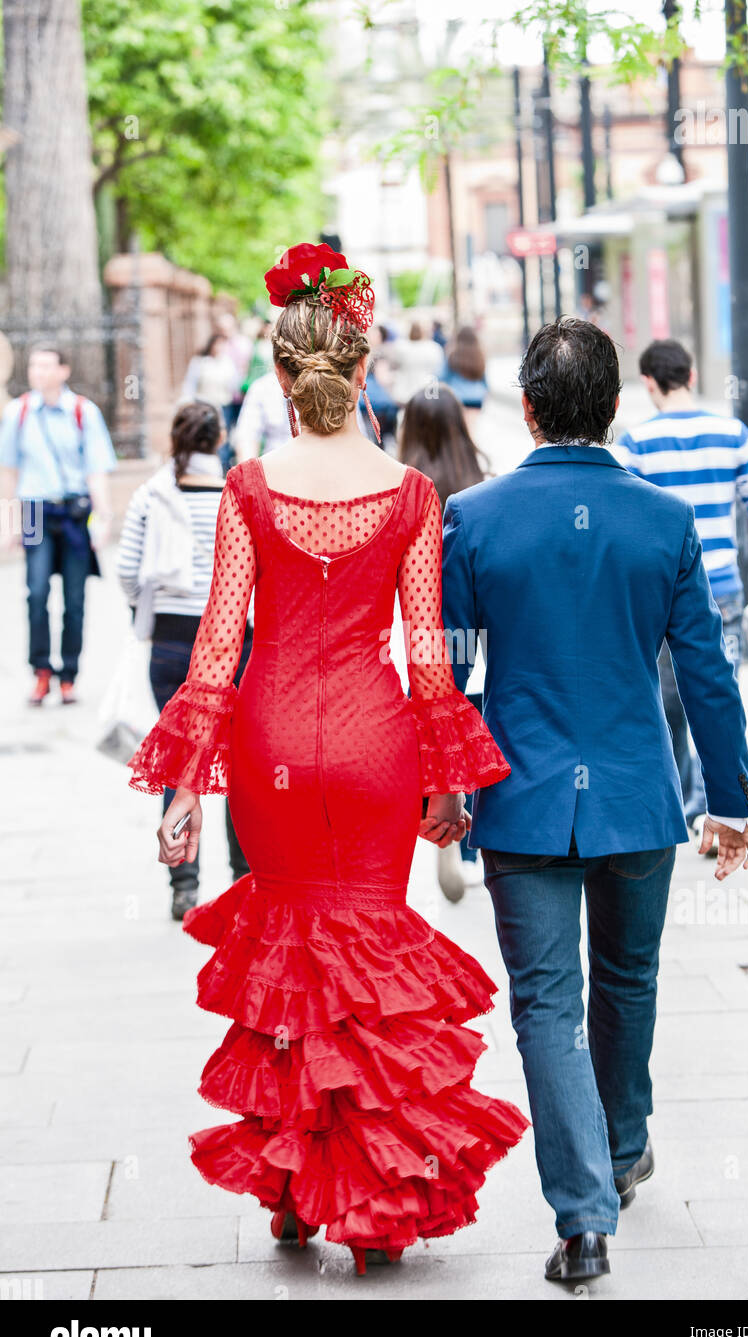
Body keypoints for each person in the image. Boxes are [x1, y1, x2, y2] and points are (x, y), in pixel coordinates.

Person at [127, 241, 528, 1274]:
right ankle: (373, 1198)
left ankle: (295, 1199)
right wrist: (448, 782)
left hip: (267, 746)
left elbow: (215, 653)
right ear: (361, 375)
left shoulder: (249, 489)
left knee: (288, 952)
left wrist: (179, 789)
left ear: (276, 371)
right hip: (374, 745)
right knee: (366, 956)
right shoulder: (407, 498)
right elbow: (430, 659)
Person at [441, 316, 748, 1285]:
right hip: (635, 792)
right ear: (613, 408)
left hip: (521, 793)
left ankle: (582, 1215)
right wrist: (730, 802)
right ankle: (619, 1150)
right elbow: (703, 670)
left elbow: (447, 670)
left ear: (527, 407)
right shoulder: (663, 520)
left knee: (546, 1004)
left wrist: (443, 783)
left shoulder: (473, 518)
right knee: (628, 979)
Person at [615, 339, 748, 835]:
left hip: (665, 592)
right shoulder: (734, 435)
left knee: (670, 700)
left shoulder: (635, 443)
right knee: (718, 689)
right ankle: (721, 800)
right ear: (690, 375)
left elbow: (629, 528)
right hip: (723, 586)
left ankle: (689, 798)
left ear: (649, 383)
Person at [117, 401, 252, 921]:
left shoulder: (150, 495)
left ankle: (184, 885)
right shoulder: (237, 493)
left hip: (172, 641)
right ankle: (243, 880)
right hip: (233, 638)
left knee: (180, 759)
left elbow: (128, 569)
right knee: (240, 765)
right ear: (218, 439)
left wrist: (148, 606)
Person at [398, 383, 490, 902]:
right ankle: (468, 839)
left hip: (412, 644)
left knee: (428, 737)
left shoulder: (397, 488)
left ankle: (436, 821)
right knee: (468, 725)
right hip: (469, 642)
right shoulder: (479, 489)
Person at [0, 344, 116, 705]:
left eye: (47, 365)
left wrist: (103, 517)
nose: (39, 372)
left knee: (75, 598)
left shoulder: (83, 412)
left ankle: (68, 675)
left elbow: (96, 471)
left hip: (74, 512)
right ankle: (41, 672)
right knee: (35, 593)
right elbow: (9, 471)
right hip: (34, 510)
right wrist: (9, 522)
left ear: (63, 371)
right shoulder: (18, 412)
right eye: (34, 365)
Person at [179, 332, 240, 471]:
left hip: (224, 406)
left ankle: (222, 467)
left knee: (222, 436)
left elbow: (234, 383)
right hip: (204, 406)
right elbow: (190, 384)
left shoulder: (227, 362)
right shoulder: (200, 362)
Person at [441, 326, 489, 436]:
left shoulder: (452, 355)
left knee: (459, 432)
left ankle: (461, 451)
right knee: (471, 430)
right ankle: (471, 451)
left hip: (458, 398)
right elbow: (485, 380)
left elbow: (443, 377)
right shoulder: (480, 355)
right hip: (477, 398)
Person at [390, 321, 445, 407]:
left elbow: (393, 365)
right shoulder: (434, 348)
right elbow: (438, 370)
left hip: (403, 393)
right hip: (426, 392)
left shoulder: (400, 347)